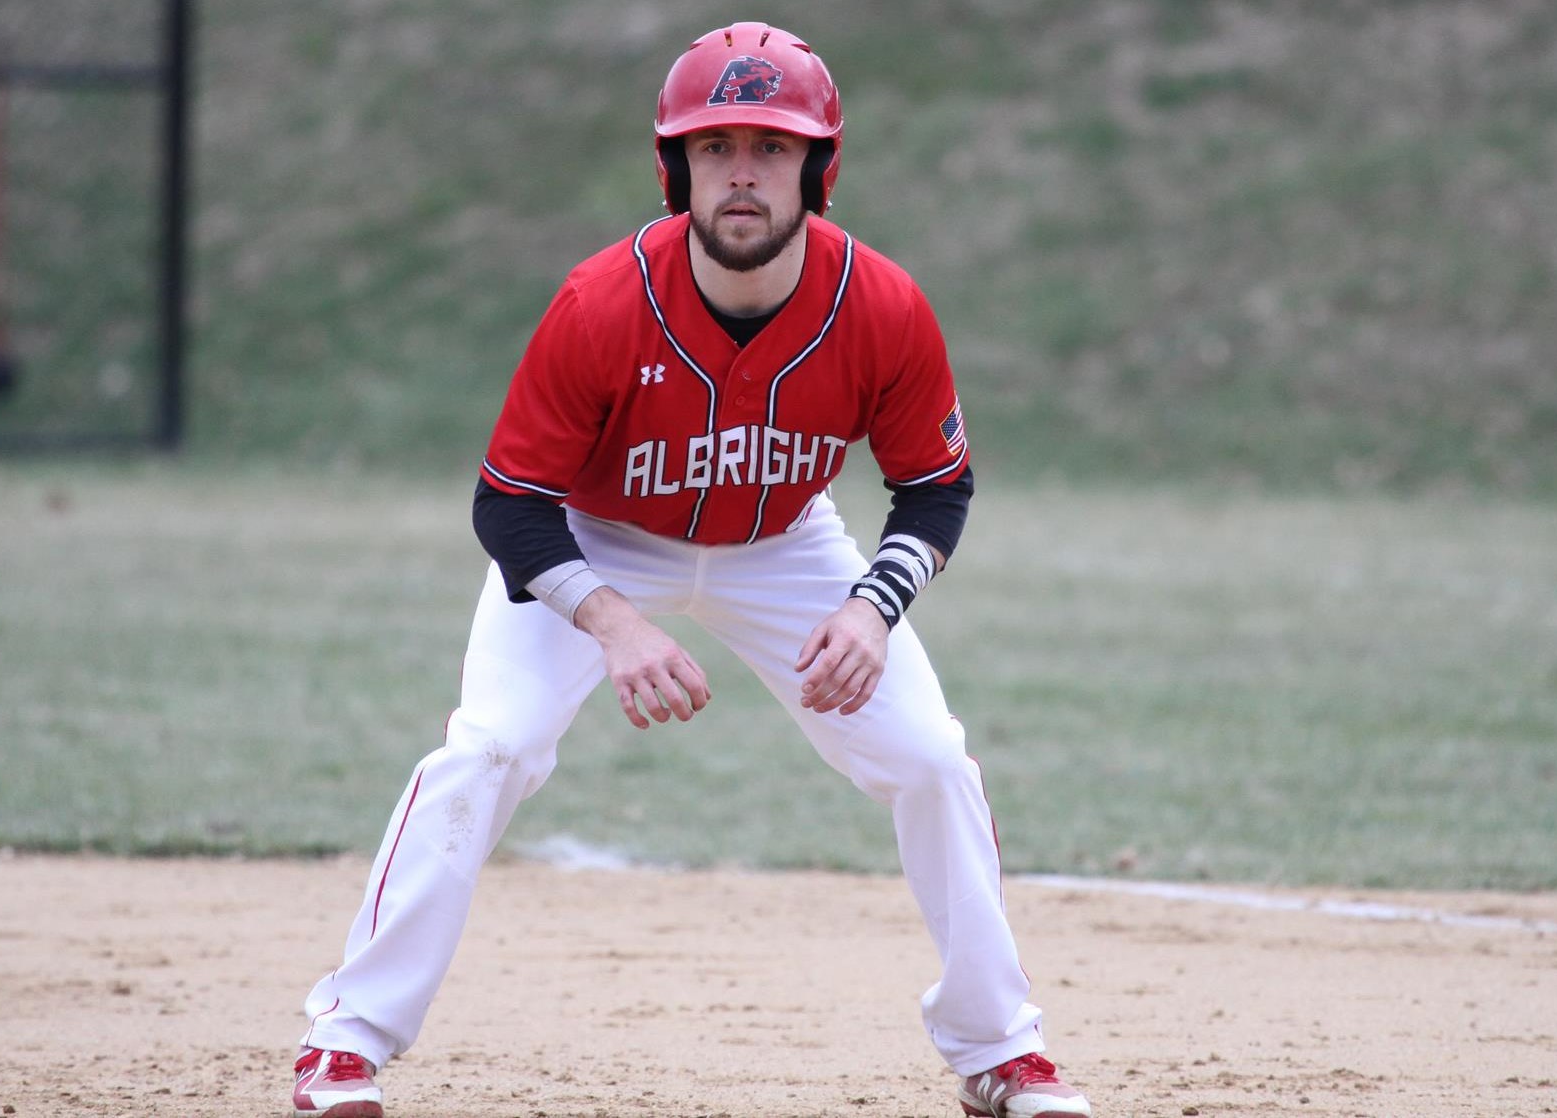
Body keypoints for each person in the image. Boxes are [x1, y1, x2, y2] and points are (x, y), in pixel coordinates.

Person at [290, 22, 1093, 1118]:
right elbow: (510, 501)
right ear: (675, 168)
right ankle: (346, 1040)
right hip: (596, 534)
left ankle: (1000, 1049)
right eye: (715, 147)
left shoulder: (881, 307)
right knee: (490, 747)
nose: (744, 173)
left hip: (787, 544)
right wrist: (614, 622)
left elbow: (935, 486)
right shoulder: (602, 301)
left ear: (819, 165)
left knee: (930, 756)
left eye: (772, 146)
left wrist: (871, 606)